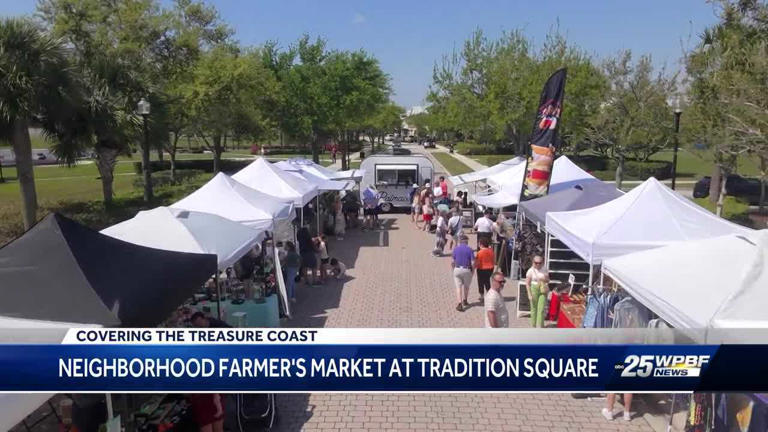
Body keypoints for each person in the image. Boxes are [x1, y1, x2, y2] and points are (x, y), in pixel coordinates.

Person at [451, 234, 474, 312]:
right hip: (467, 269)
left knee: (458, 287)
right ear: (467, 242)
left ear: (460, 241)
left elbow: (452, 261)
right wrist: (473, 271)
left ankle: (459, 303)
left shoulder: (455, 249)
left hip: (457, 269)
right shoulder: (470, 250)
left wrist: (453, 269)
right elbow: (473, 262)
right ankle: (465, 300)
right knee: (466, 286)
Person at [526, 255, 550, 328]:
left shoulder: (544, 269)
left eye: (540, 263)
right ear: (533, 262)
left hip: (543, 288)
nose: (538, 264)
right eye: (536, 263)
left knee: (541, 308)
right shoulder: (530, 271)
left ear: (542, 262)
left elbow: (548, 280)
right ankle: (533, 325)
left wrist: (544, 279)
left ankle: (540, 325)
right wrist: (529, 294)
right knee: (534, 308)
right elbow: (527, 284)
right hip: (534, 288)